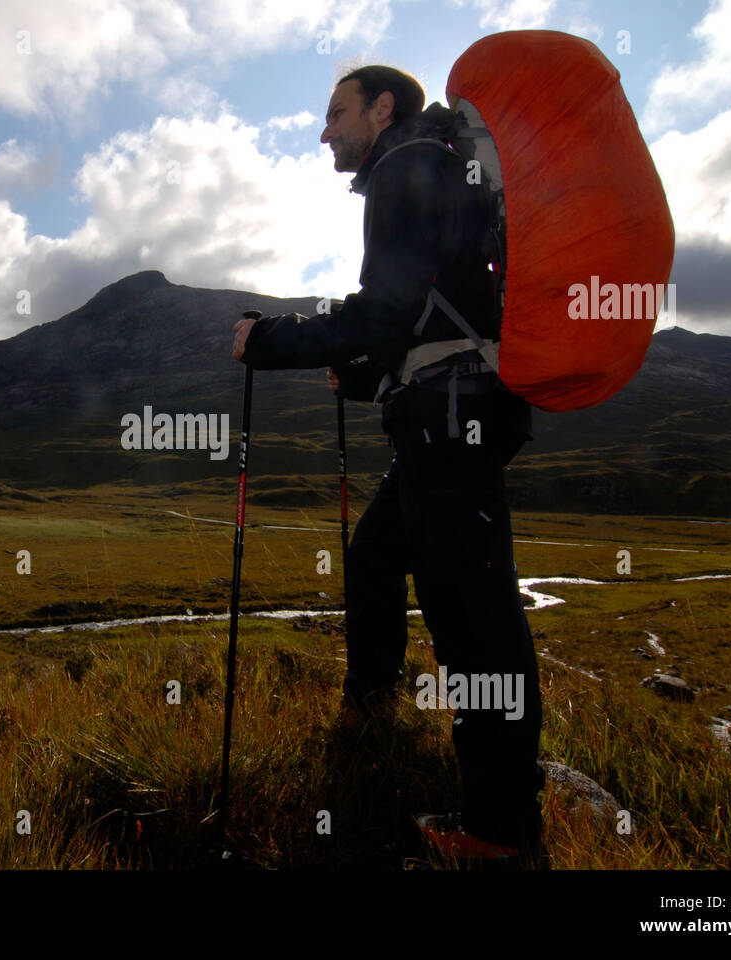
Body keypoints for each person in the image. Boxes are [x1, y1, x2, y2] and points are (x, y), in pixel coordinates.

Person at [230, 65, 544, 860]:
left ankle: (501, 833)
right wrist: (371, 372)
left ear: (382, 106)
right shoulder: (423, 167)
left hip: (451, 416)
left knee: (474, 621)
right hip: (442, 412)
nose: (324, 130)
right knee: (374, 555)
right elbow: (424, 311)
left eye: (336, 112)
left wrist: (269, 341)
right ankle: (371, 709)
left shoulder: (409, 167)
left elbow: (385, 309)